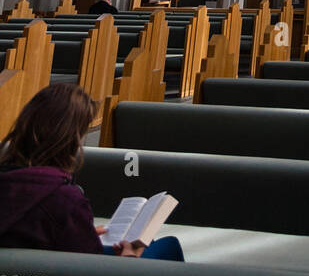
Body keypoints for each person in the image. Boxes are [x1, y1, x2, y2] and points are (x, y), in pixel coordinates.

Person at [0, 85, 183, 260]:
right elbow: (92, 273)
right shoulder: (65, 199)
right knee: (167, 245)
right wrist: (128, 258)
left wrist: (83, 233)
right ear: (71, 140)